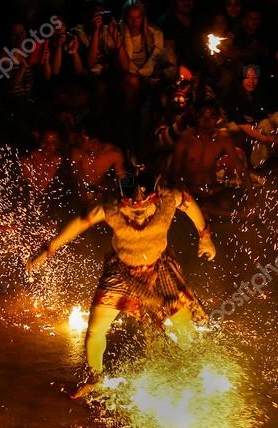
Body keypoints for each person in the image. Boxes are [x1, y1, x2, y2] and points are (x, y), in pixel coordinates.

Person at [27, 169, 216, 398]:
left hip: (160, 270)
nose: (138, 213)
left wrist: (205, 237)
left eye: (143, 207)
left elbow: (191, 206)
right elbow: (80, 222)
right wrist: (48, 250)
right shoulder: (110, 207)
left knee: (184, 327)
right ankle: (94, 378)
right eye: (132, 208)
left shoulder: (169, 199)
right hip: (121, 273)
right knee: (95, 329)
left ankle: (196, 370)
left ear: (155, 198)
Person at [170, 101, 247, 215]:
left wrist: (251, 194)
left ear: (218, 118)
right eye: (202, 116)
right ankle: (235, 215)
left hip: (212, 187)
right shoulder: (185, 139)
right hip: (191, 190)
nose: (207, 121)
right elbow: (174, 171)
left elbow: (240, 167)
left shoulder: (223, 138)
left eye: (212, 116)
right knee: (191, 207)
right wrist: (183, 189)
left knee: (227, 204)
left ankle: (219, 212)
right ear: (196, 117)